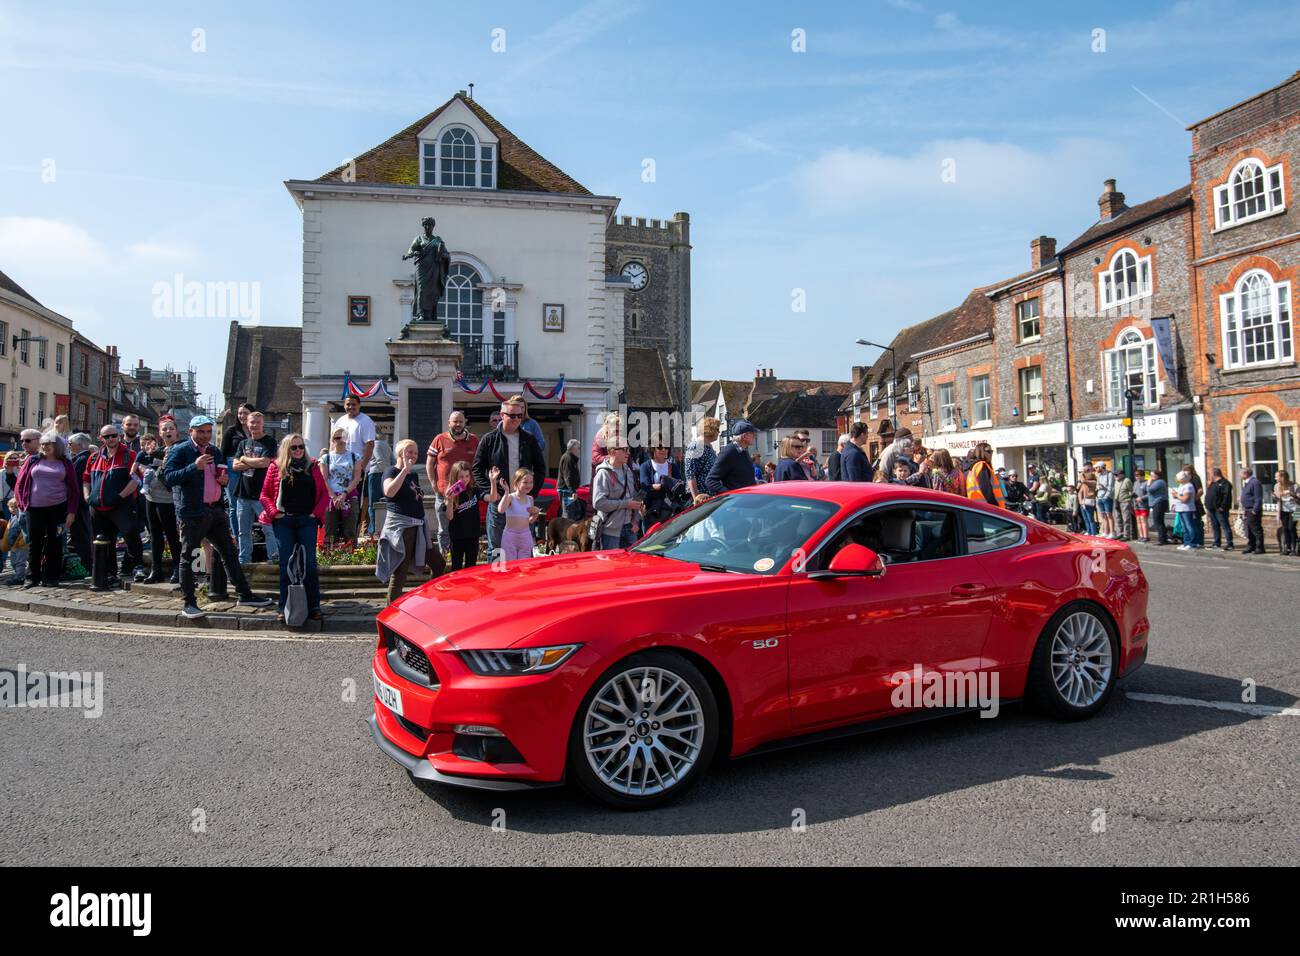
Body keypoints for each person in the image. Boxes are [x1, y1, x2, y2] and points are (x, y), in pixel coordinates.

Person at [162, 416, 273, 619]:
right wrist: (193, 467)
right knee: (188, 556)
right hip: (193, 512)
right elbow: (168, 478)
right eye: (201, 431)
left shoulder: (214, 451)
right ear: (191, 432)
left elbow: (221, 477)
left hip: (215, 510)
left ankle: (244, 594)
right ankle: (189, 602)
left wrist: (223, 480)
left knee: (229, 553)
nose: (205, 435)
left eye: (208, 431)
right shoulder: (181, 450)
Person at [258, 434, 328, 624]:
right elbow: (264, 495)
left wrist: (315, 514)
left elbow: (324, 495)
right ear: (287, 449)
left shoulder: (312, 466)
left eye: (301, 447)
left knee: (309, 565)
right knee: (286, 565)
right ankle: (284, 606)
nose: (298, 451)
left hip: (307, 520)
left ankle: (314, 606)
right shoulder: (275, 467)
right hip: (285, 521)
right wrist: (274, 513)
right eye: (294, 447)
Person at [471, 395, 548, 559]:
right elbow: (477, 469)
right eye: (512, 416)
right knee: (498, 550)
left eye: (520, 416)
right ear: (502, 415)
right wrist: (490, 493)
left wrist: (531, 495)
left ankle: (521, 584)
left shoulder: (529, 439)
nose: (516, 419)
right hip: (500, 502)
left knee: (524, 552)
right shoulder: (489, 439)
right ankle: (497, 583)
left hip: (521, 503)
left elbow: (541, 468)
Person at [12, 432, 80, 587]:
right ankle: (32, 576)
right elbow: (20, 484)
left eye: (49, 443)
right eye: (42, 444)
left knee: (54, 543)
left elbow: (74, 490)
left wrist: (71, 512)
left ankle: (51, 577)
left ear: (57, 445)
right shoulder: (33, 460)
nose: (45, 446)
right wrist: (23, 505)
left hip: (58, 508)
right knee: (34, 543)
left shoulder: (66, 463)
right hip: (34, 509)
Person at [84, 423, 145, 585]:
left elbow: (136, 479)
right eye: (107, 436)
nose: (111, 439)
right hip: (97, 507)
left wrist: (120, 496)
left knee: (131, 535)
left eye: (114, 436)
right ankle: (109, 572)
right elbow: (85, 480)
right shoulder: (94, 457)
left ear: (119, 436)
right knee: (103, 540)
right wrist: (87, 497)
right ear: (101, 438)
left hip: (121, 505)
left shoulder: (129, 455)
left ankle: (137, 566)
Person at [378, 439, 433, 602]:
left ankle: (430, 599)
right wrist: (404, 471)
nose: (413, 455)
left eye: (416, 452)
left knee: (438, 563)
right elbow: (389, 492)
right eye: (409, 452)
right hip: (402, 529)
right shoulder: (390, 471)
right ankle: (389, 614)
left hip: (419, 527)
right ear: (400, 453)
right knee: (400, 574)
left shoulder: (414, 475)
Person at [230, 410, 280, 566]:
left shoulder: (269, 442)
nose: (255, 425)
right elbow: (234, 466)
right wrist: (252, 461)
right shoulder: (243, 443)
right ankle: (244, 560)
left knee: (268, 529)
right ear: (247, 423)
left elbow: (265, 463)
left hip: (262, 494)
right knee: (243, 531)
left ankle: (274, 558)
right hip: (243, 493)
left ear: (262, 424)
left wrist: (244, 458)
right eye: (252, 422)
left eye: (258, 422)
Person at [425, 410, 478, 554]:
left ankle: (458, 556)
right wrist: (434, 485)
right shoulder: (439, 439)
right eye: (455, 421)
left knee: (465, 528)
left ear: (465, 422)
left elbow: (479, 465)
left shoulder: (474, 440)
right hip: (444, 493)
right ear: (449, 423)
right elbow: (430, 463)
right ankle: (445, 557)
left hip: (467, 495)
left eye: (461, 421)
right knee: (443, 529)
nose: (458, 424)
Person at [140, 419, 182, 583]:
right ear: (160, 433)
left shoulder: (179, 449)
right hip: (151, 497)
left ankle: (177, 568)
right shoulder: (157, 450)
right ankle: (156, 569)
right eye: (164, 429)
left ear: (176, 431)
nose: (168, 431)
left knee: (172, 534)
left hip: (168, 499)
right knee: (154, 534)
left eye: (171, 428)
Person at [591, 442, 644, 550]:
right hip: (611, 531)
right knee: (611, 565)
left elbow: (634, 498)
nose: (628, 453)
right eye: (624, 449)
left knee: (630, 566)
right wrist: (625, 504)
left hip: (630, 529)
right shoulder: (603, 473)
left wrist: (636, 520)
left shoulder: (628, 471)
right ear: (613, 451)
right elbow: (598, 503)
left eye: (628, 449)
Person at [319, 426, 363, 547]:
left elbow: (356, 478)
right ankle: (329, 557)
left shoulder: (355, 457)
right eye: (337, 437)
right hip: (330, 496)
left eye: (343, 437)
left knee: (350, 531)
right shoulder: (325, 458)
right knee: (330, 531)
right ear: (332, 439)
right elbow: (324, 479)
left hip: (349, 495)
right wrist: (333, 496)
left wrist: (344, 493)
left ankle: (351, 557)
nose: (340, 440)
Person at [492, 466, 540, 562]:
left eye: (531, 482)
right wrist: (506, 492)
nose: (528, 485)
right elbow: (500, 509)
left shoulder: (530, 499)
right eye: (525, 482)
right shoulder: (510, 497)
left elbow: (529, 521)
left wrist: (536, 514)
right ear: (516, 483)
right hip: (510, 536)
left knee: (523, 565)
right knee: (510, 565)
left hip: (525, 536)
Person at [221, 403, 254, 545]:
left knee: (250, 504)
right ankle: (237, 538)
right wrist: (223, 472)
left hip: (251, 469)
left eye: (245, 413)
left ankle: (248, 535)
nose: (242, 416)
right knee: (234, 505)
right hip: (232, 468)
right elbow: (222, 453)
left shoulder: (256, 431)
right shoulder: (231, 431)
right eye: (240, 413)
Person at [441, 461, 480, 571]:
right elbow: (449, 517)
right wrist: (450, 499)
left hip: (473, 534)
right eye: (461, 477)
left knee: (471, 567)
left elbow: (491, 498)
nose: (465, 479)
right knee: (456, 567)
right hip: (457, 536)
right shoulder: (451, 492)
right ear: (455, 477)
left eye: (467, 476)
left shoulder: (473, 489)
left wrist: (492, 481)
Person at [703, 419, 759, 495]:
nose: (755, 436)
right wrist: (730, 494)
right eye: (753, 433)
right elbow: (710, 481)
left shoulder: (744, 450)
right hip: (736, 504)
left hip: (747, 500)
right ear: (745, 436)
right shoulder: (728, 452)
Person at [639, 440, 682, 524]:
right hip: (652, 513)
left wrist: (660, 486)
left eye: (666, 447)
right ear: (652, 449)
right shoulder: (645, 466)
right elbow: (645, 487)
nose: (663, 450)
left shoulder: (673, 466)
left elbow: (680, 488)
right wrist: (663, 486)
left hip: (672, 513)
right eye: (659, 447)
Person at [331, 394, 376, 470]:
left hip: (356, 467)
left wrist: (362, 467)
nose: (351, 407)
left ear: (359, 405)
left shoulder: (366, 421)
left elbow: (370, 445)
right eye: (348, 404)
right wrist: (331, 462)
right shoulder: (340, 421)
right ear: (344, 406)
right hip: (339, 467)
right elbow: (333, 443)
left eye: (354, 404)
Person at [365, 429, 394, 538]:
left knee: (373, 504)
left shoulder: (375, 445)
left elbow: (380, 460)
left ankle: (373, 529)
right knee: (383, 502)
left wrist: (386, 474)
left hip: (376, 475)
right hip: (384, 475)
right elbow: (393, 460)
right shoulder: (386, 445)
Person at [685, 418, 720, 502]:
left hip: (710, 495)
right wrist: (696, 498)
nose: (719, 432)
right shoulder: (695, 446)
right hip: (701, 497)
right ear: (710, 430)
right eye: (717, 429)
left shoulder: (709, 446)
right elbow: (690, 474)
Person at [965, 442, 1004, 508]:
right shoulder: (982, 465)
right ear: (981, 452)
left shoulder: (973, 467)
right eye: (989, 451)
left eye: (991, 451)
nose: (991, 454)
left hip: (978, 506)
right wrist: (995, 506)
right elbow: (986, 490)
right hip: (987, 507)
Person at [1204, 467, 1235, 551]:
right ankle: (1216, 543)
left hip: (1220, 509)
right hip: (1211, 508)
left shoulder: (1225, 483)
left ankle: (1230, 544)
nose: (1209, 476)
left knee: (1225, 526)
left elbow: (1227, 496)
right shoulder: (1213, 483)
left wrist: (1223, 506)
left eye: (1210, 474)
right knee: (1215, 526)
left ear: (1214, 474)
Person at [1171, 470, 1200, 551]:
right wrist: (1175, 495)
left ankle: (1192, 543)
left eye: (1179, 479)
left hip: (1187, 509)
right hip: (1180, 508)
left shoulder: (1188, 486)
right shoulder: (1181, 485)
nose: (1177, 480)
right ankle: (1186, 542)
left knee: (1189, 526)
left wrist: (1176, 495)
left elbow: (1185, 499)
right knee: (1184, 527)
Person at [1273, 470, 1299, 556]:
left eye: (1277, 476)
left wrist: (1292, 494)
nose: (1275, 478)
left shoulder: (1294, 485)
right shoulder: (1277, 486)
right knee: (1285, 528)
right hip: (1283, 510)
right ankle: (1287, 548)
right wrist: (1275, 497)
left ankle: (1294, 548)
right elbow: (1277, 499)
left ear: (1282, 477)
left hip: (1296, 510)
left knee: (1291, 528)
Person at [1239, 468, 1264, 554]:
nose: (1239, 475)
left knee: (1256, 529)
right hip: (1247, 509)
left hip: (1252, 510)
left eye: (1241, 473)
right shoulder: (1247, 483)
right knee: (1248, 530)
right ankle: (1251, 545)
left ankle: (1259, 547)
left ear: (1246, 474)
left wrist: (1255, 510)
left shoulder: (1255, 482)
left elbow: (1258, 498)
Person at [557, 438, 581, 517]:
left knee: (570, 513)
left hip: (567, 490)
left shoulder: (569, 457)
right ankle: (567, 529)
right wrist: (573, 491)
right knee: (568, 514)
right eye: (578, 448)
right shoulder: (568, 458)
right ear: (573, 448)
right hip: (566, 491)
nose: (579, 450)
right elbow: (568, 476)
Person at [1147, 470, 1169, 545]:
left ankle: (1161, 539)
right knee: (1159, 521)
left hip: (1159, 502)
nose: (1151, 477)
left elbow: (1150, 490)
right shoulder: (1156, 482)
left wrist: (1148, 484)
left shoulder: (1159, 482)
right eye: (1150, 475)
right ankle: (1163, 538)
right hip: (1156, 503)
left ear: (1157, 475)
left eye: (1152, 475)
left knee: (1157, 521)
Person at [1094, 462, 1115, 538]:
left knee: (1109, 515)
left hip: (1106, 497)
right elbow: (1097, 486)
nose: (1095, 469)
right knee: (1103, 515)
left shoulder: (1109, 474)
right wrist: (1098, 488)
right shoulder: (1099, 475)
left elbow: (1110, 487)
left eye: (1097, 467)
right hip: (1099, 497)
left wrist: (1106, 496)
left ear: (1101, 467)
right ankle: (1106, 532)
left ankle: (1112, 532)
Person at [1077, 465, 1098, 535]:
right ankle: (1088, 531)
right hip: (1083, 503)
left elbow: (1084, 481)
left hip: (1089, 502)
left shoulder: (1093, 482)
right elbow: (1079, 492)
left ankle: (1093, 532)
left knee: (1090, 518)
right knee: (1085, 519)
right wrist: (1080, 501)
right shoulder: (1083, 484)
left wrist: (1081, 474)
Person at [1114, 470, 1135, 540]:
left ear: (1122, 475)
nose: (1115, 476)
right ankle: (1120, 533)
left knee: (1126, 519)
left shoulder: (1127, 480)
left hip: (1125, 501)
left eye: (1117, 475)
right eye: (1115, 475)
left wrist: (1129, 499)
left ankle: (1127, 535)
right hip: (1117, 501)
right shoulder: (1116, 481)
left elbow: (1131, 491)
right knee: (1118, 518)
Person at [1133, 471, 1150, 541]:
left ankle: (1146, 536)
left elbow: (1149, 494)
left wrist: (1141, 498)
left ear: (1143, 476)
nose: (1137, 477)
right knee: (1138, 520)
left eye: (1138, 475)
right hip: (1136, 504)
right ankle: (1141, 535)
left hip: (1143, 504)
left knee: (1143, 520)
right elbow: (1134, 492)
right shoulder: (1135, 483)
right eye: (1136, 476)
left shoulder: (1146, 483)